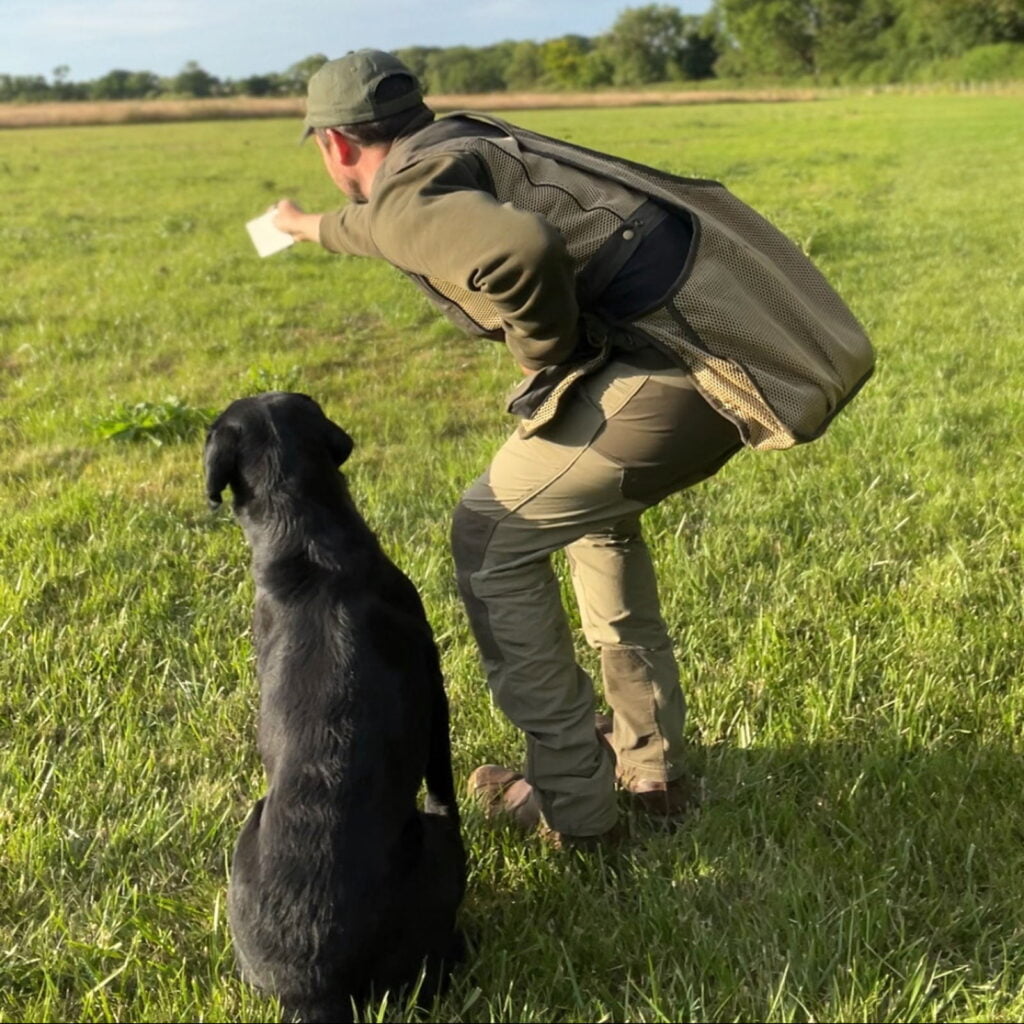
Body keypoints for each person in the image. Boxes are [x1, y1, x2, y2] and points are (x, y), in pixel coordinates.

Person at [272, 49, 874, 850]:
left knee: (490, 534)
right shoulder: (461, 145)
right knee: (595, 522)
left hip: (679, 373)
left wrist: (542, 355)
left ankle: (574, 808)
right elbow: (377, 226)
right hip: (713, 353)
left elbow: (514, 251)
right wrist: (305, 226)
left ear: (336, 144)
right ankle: (652, 771)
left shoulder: (411, 189)